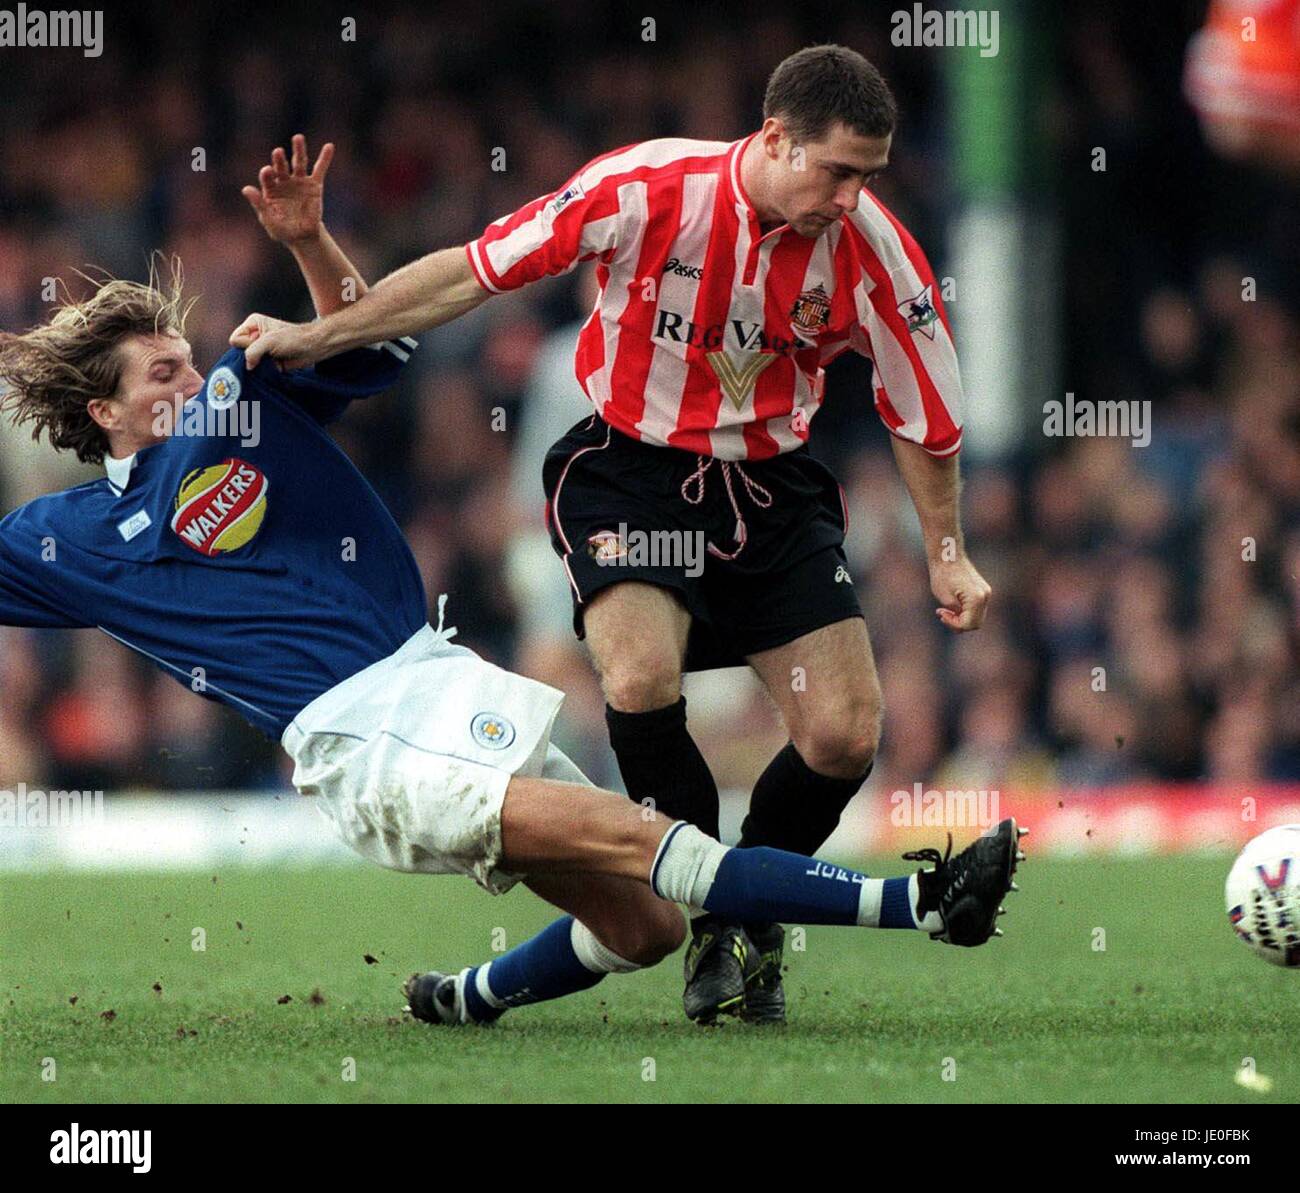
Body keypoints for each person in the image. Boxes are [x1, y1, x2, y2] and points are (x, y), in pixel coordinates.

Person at [236, 44, 996, 1026]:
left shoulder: (873, 252)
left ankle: (736, 916)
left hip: (771, 493)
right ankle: (722, 902)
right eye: (837, 171)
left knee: (845, 731)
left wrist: (946, 547)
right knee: (638, 678)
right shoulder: (639, 190)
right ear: (773, 137)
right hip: (632, 475)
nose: (850, 198)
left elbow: (925, 409)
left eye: (868, 177)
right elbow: (470, 274)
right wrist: (315, 335)